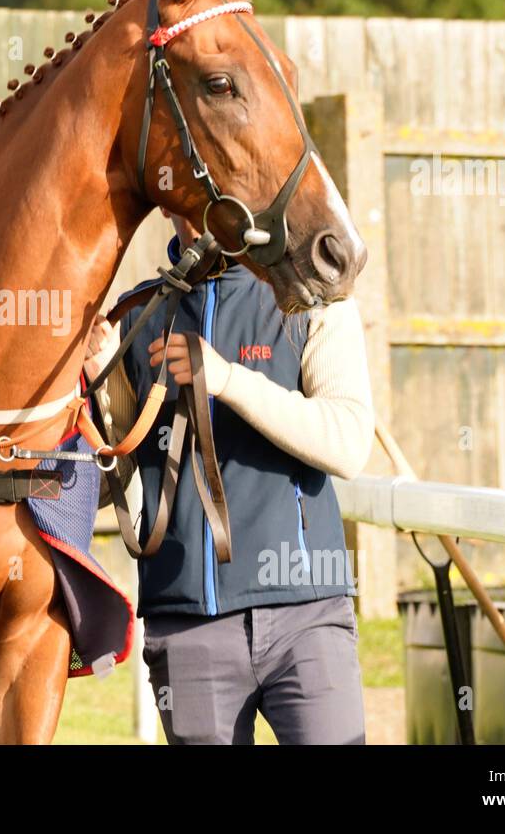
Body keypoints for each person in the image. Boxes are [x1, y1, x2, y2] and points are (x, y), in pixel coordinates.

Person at [85, 210, 374, 745]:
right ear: (168, 201)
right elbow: (122, 494)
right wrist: (105, 385)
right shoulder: (136, 316)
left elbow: (349, 442)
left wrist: (227, 380)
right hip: (188, 625)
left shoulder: (313, 297)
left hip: (305, 614)